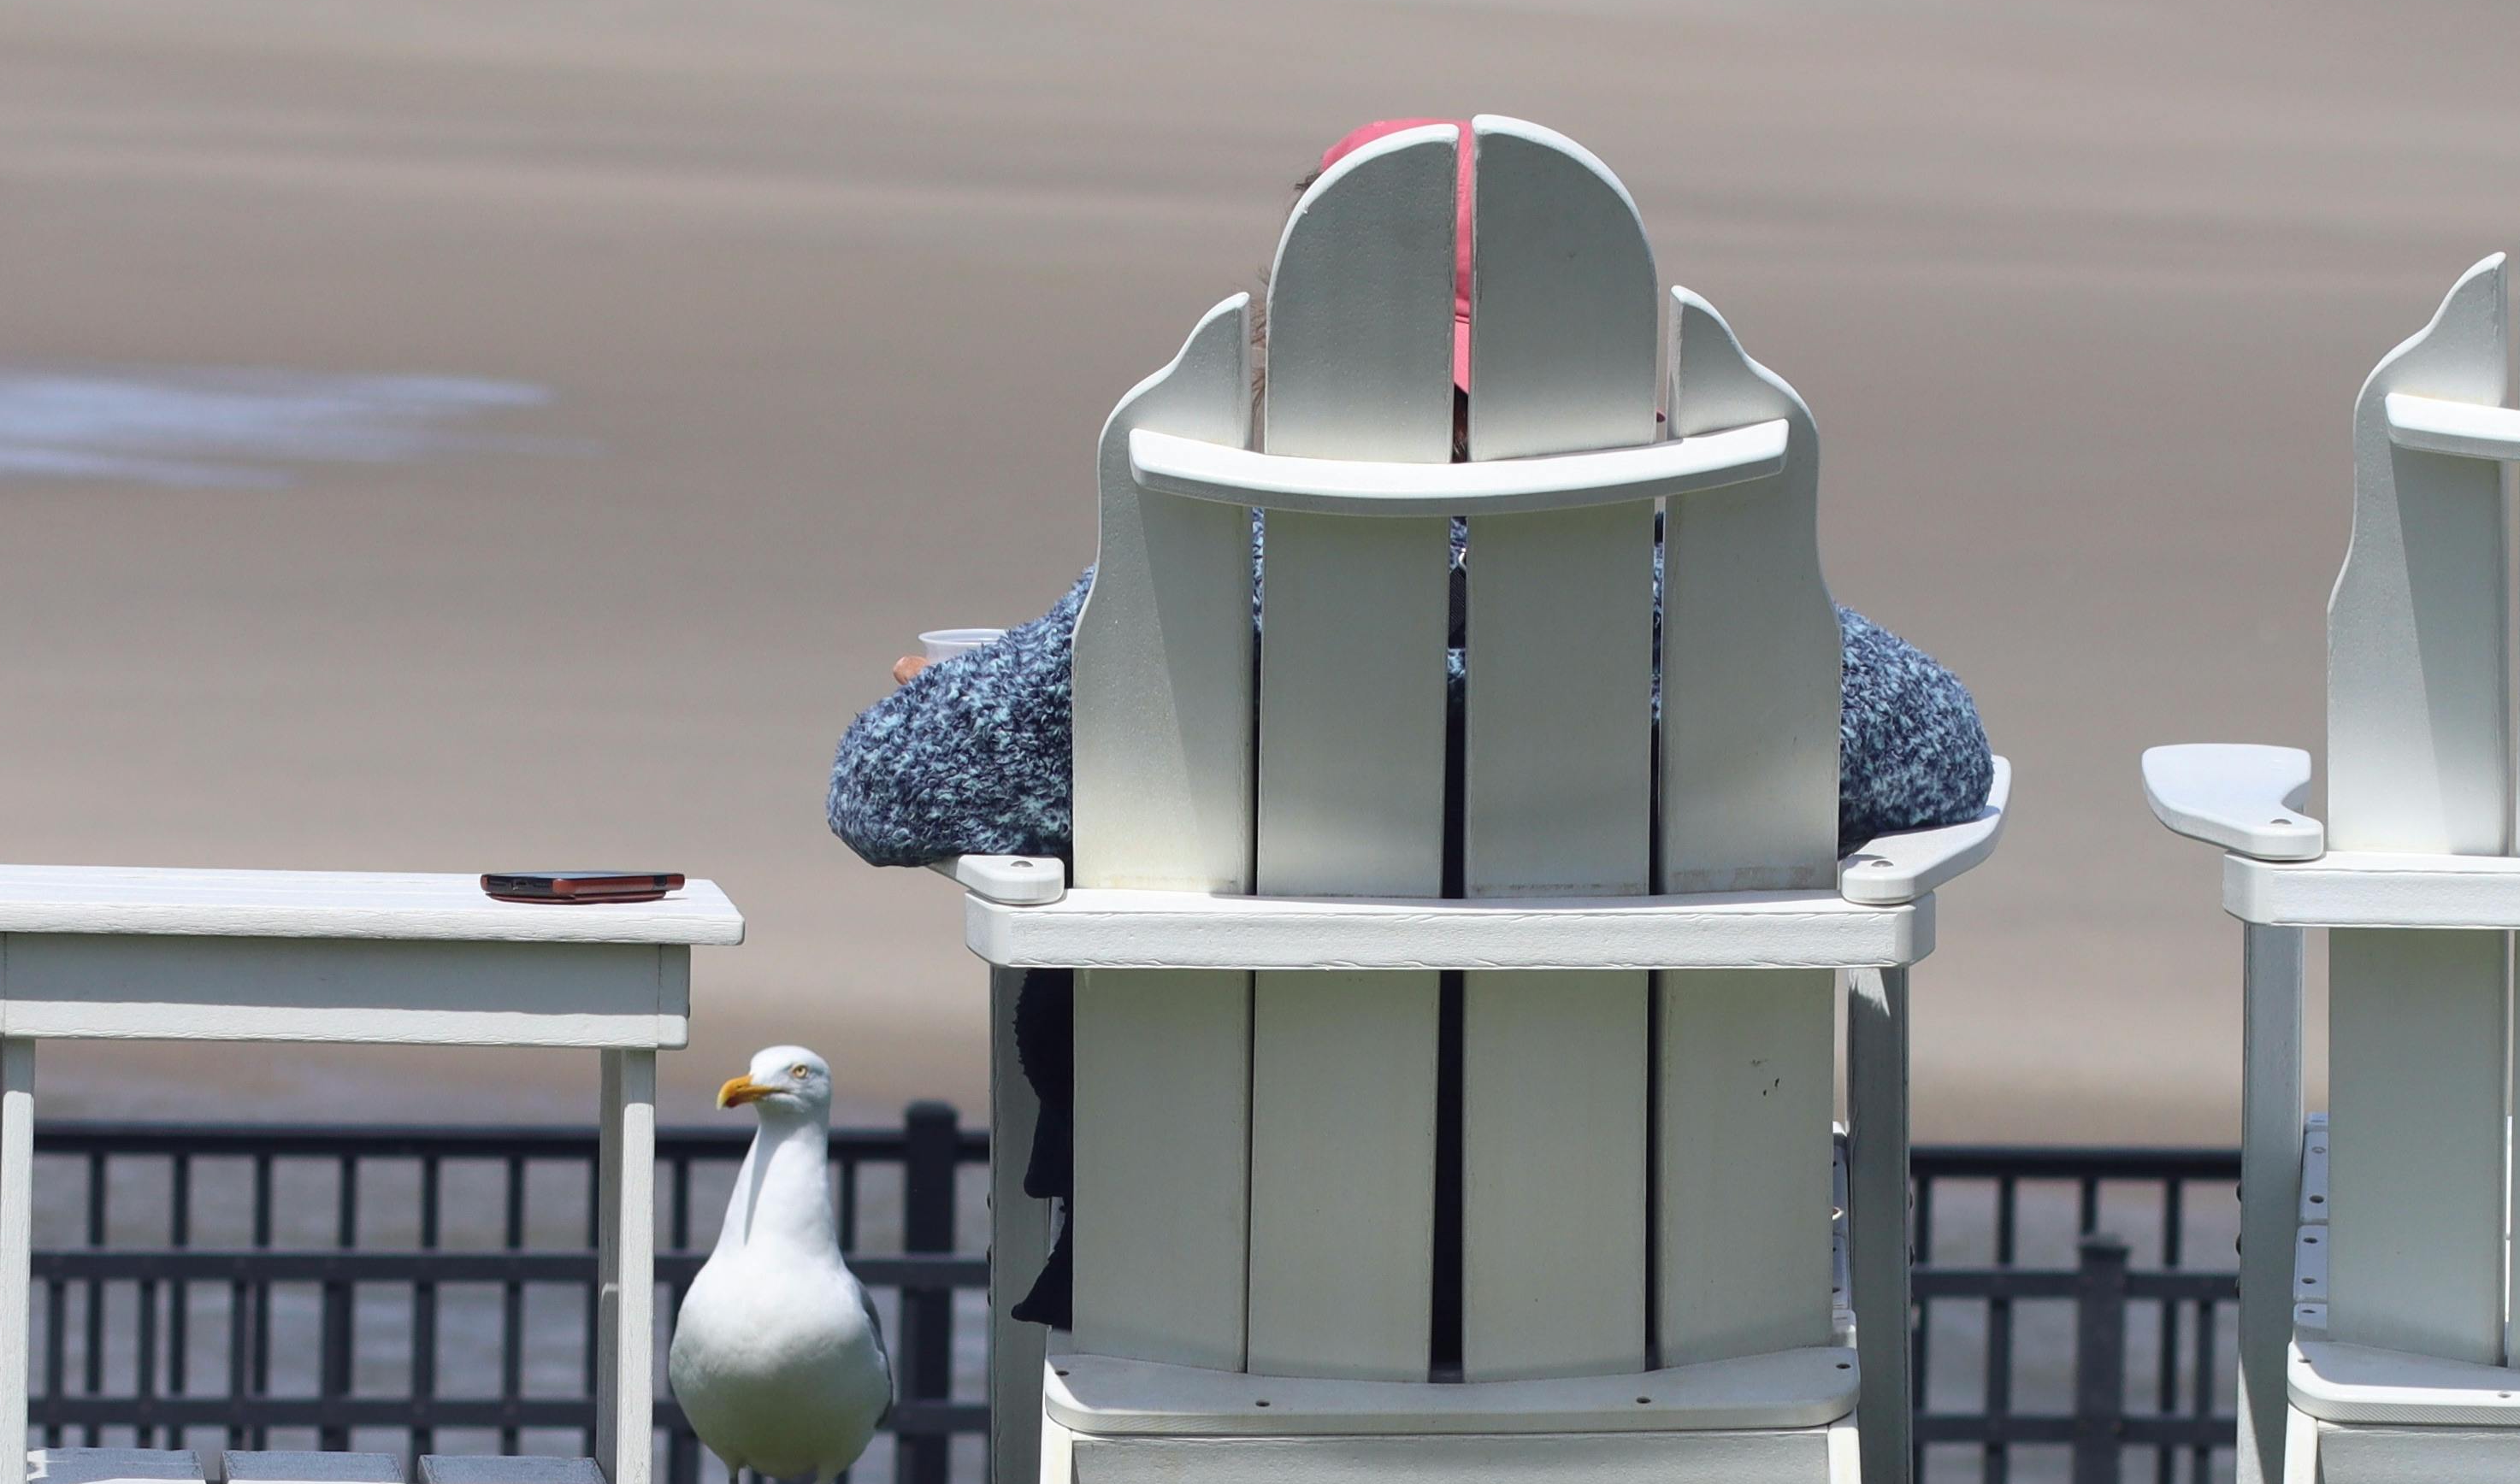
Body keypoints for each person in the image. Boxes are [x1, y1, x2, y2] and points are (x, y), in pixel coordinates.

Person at [824, 119, 1991, 1324]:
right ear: (1600, 353)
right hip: (1650, 1289)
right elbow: (1939, 754)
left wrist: (1004, 707)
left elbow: (879, 791)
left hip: (1216, 1288)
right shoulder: (1704, 601)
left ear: (1292, 329)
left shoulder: (1198, 592)